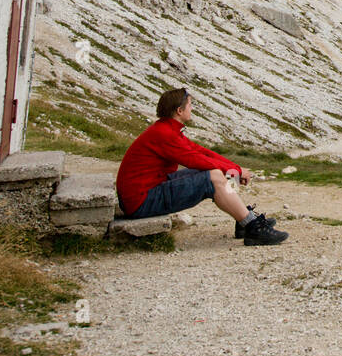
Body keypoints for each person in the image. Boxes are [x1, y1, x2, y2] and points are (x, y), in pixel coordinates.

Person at [115, 87, 288, 246]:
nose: (192, 109)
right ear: (179, 111)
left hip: (148, 191)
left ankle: (243, 218)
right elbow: (195, 160)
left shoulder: (167, 129)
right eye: (190, 105)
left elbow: (201, 152)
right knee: (212, 178)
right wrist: (235, 170)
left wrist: (235, 168)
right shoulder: (165, 134)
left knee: (216, 173)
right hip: (143, 202)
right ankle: (253, 227)